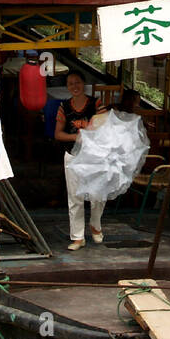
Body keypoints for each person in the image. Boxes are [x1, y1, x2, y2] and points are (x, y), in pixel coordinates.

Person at [55, 71, 101, 250]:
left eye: (77, 82)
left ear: (84, 84)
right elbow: (58, 134)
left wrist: (90, 134)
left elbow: (106, 125)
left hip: (95, 156)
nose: (74, 86)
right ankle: (77, 237)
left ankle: (95, 225)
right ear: (67, 87)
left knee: (98, 195)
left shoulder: (95, 103)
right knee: (75, 197)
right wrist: (76, 137)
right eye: (70, 84)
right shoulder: (64, 106)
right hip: (73, 155)